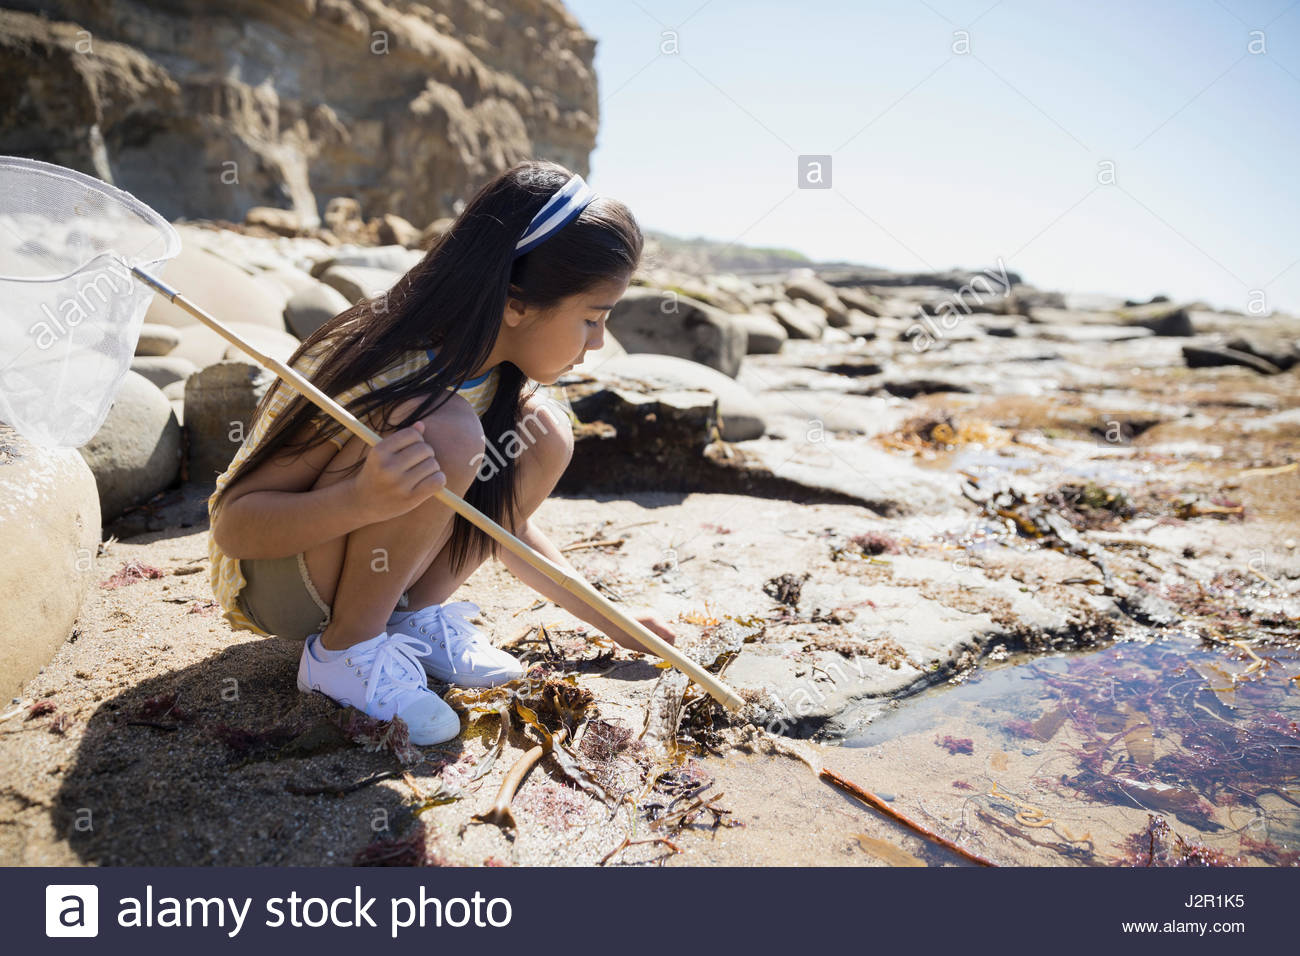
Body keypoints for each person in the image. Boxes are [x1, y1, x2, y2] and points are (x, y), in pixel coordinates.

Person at [206, 161, 678, 745]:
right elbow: (235, 525)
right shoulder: (384, 364)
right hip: (280, 581)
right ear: (515, 303)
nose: (599, 342)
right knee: (449, 433)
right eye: (591, 318)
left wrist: (615, 622)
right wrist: (358, 499)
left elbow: (503, 528)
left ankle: (404, 620)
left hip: (363, 572)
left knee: (546, 433)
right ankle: (343, 653)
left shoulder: (493, 376)